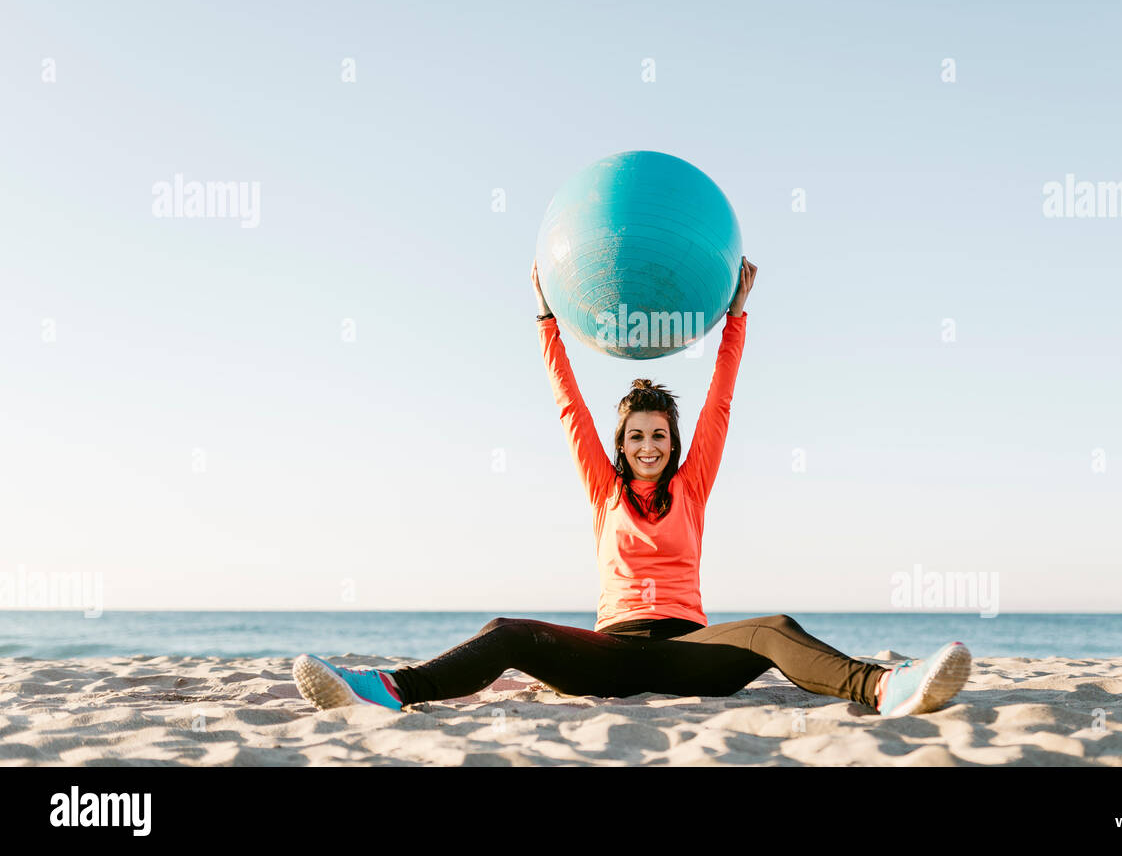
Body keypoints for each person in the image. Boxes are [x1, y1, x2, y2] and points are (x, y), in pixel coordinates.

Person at [293, 256, 971, 718]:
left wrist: (735, 316)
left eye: (659, 437)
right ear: (621, 446)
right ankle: (387, 689)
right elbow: (570, 405)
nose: (649, 446)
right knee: (505, 631)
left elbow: (720, 403)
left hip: (687, 653)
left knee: (774, 628)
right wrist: (545, 321)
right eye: (637, 437)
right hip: (610, 653)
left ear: (672, 443)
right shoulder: (602, 487)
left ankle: (886, 689)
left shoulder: (693, 482)